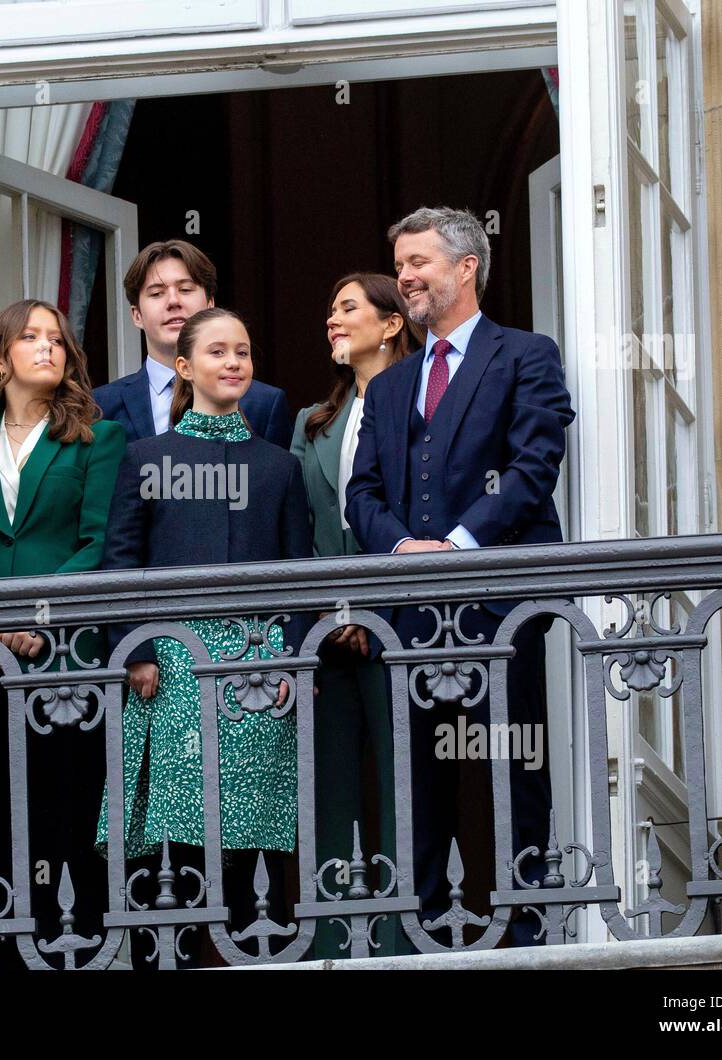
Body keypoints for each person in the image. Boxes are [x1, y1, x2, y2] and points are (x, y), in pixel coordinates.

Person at [345, 206, 575, 947]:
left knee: (513, 771)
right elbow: (361, 494)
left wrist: (461, 542)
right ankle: (421, 935)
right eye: (402, 264)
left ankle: (525, 932)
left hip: (500, 604)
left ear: (466, 266)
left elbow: (534, 466)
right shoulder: (388, 386)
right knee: (416, 783)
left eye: (419, 263)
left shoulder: (525, 354)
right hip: (409, 610)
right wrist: (405, 549)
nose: (405, 277)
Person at [97, 307, 311, 964]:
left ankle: (251, 957)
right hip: (172, 666)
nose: (232, 363)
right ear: (185, 368)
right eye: (217, 352)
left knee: (251, 836)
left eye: (242, 352)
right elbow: (118, 563)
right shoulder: (145, 457)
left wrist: (291, 660)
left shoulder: (280, 466)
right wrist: (133, 650)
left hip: (257, 664)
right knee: (175, 836)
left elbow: (300, 575)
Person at [0, 298, 124, 966]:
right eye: (30, 337)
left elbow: (99, 544)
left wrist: (34, 616)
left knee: (64, 818)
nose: (47, 347)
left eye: (57, 339)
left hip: (66, 660)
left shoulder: (98, 440)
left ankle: (73, 952)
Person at [290, 272, 411, 958]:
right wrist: (326, 615)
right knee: (328, 792)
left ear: (392, 323)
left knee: (404, 792)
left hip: (401, 627)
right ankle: (332, 943)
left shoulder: (425, 406)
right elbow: (300, 526)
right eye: (330, 310)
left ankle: (401, 944)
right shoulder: (315, 421)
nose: (332, 320)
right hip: (324, 636)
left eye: (348, 308)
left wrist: (375, 608)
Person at [93, 239, 293, 447]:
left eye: (186, 289)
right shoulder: (101, 405)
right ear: (137, 315)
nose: (173, 301)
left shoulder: (264, 403)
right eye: (156, 293)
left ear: (210, 305)